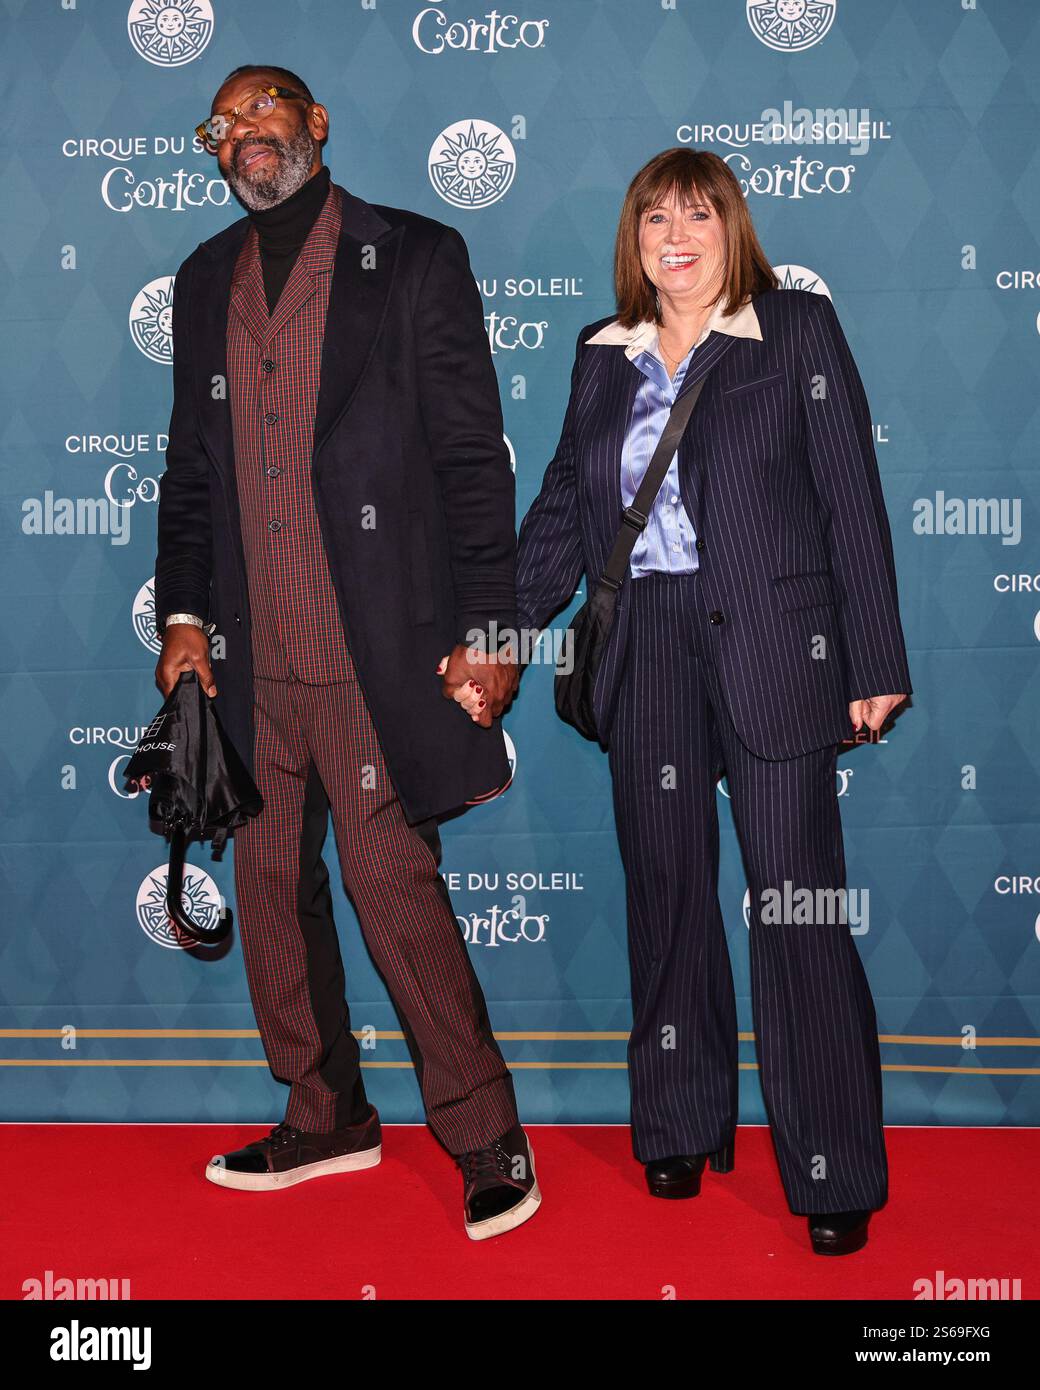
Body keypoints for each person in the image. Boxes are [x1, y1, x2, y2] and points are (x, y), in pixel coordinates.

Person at [497, 147, 911, 1255]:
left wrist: (873, 660)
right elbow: (558, 514)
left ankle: (830, 1165)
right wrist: (496, 637)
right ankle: (676, 1121)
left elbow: (848, 499)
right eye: (649, 219)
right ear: (629, 241)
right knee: (668, 894)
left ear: (731, 226)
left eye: (694, 213)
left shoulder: (794, 333)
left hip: (778, 646)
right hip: (647, 649)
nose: (671, 234)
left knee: (797, 907)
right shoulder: (600, 352)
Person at [154, 65, 537, 1241]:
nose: (245, 134)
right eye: (222, 125)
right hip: (251, 659)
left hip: (375, 650)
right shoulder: (204, 279)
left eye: (265, 109)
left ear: (316, 123)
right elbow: (192, 473)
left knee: (390, 890)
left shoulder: (415, 256)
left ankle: (484, 1136)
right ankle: (324, 1114)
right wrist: (180, 617)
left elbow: (476, 462)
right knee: (269, 893)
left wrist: (495, 629)